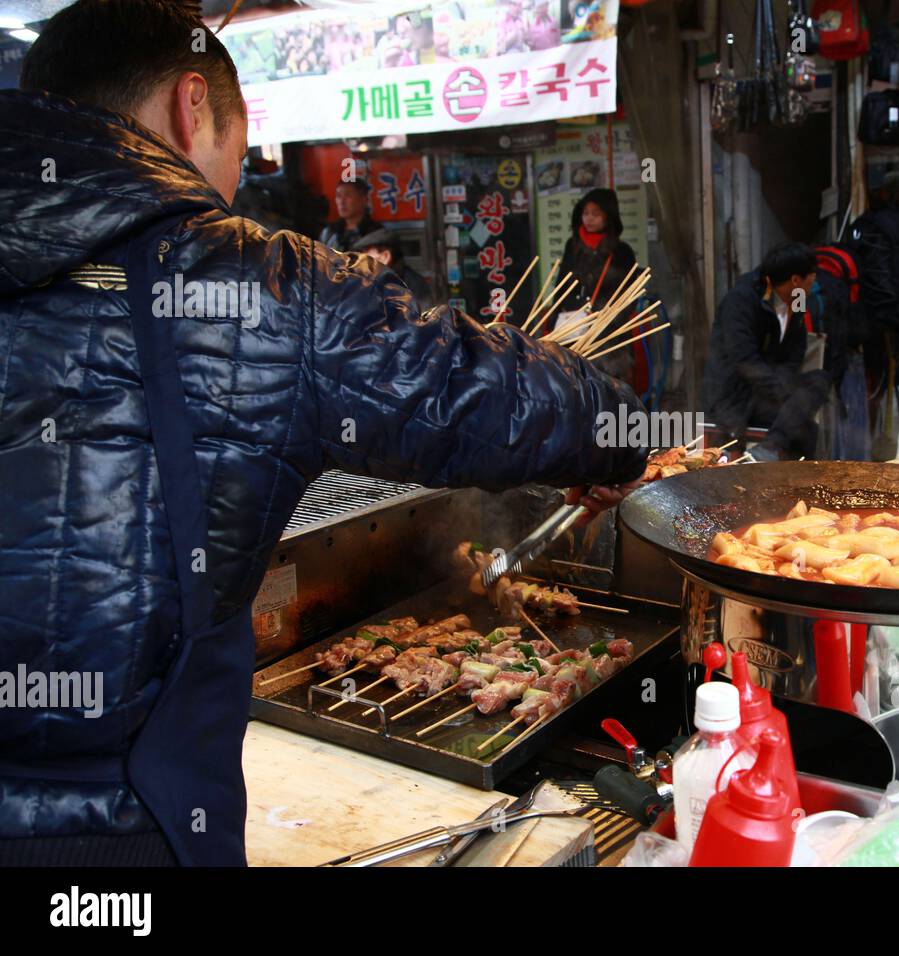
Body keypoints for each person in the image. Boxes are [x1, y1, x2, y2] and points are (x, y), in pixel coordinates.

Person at [0, 0, 645, 867]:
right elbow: (469, 389)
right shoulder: (246, 278)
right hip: (121, 835)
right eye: (236, 144)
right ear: (192, 106)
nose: (227, 186)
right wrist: (620, 434)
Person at [702, 242, 831, 460]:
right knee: (805, 429)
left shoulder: (798, 298)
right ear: (795, 280)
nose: (814, 282)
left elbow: (796, 348)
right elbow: (744, 361)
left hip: (771, 390)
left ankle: (771, 447)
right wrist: (783, 391)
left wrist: (786, 384)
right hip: (735, 394)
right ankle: (770, 453)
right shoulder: (741, 300)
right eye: (812, 277)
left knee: (820, 380)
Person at [556, 187, 638, 381]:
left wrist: (605, 319)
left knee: (610, 390)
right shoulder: (573, 246)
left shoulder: (622, 251)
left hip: (609, 337)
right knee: (577, 386)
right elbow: (561, 286)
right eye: (585, 213)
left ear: (608, 217)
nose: (589, 219)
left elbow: (630, 294)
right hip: (575, 332)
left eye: (595, 214)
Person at [355, 226, 437, 314]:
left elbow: (423, 321)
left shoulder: (412, 285)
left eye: (366, 258)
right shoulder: (369, 282)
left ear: (385, 257)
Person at [318, 179, 380, 251]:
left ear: (364, 200)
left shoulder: (376, 234)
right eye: (338, 196)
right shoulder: (329, 233)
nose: (342, 201)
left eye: (348, 195)